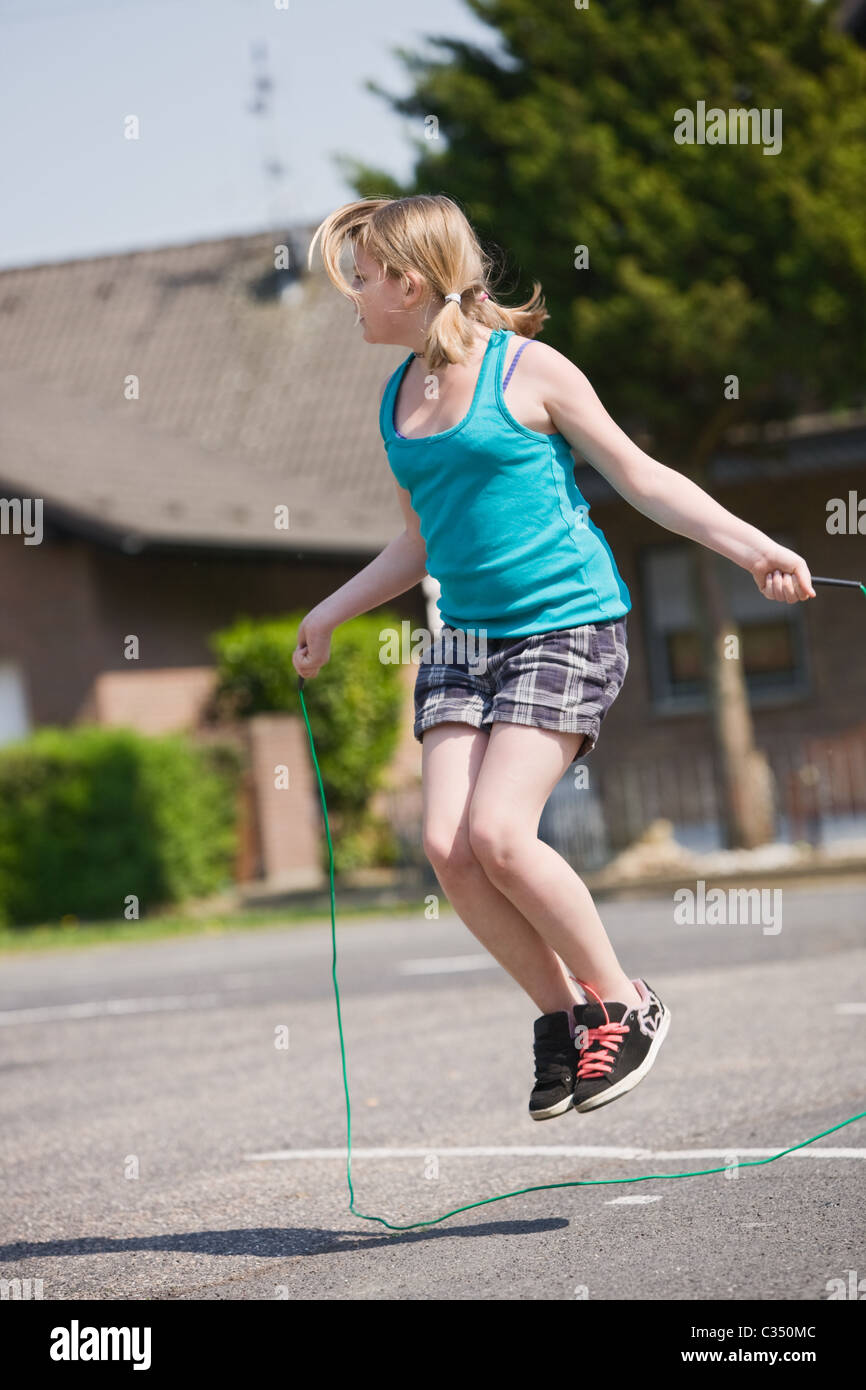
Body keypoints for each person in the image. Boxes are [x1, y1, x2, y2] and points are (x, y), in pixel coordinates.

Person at [294, 193, 815, 1122]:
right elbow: (417, 543)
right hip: (463, 637)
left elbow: (641, 476)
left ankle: (627, 1002)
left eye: (363, 282)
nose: (356, 301)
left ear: (410, 283)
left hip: (563, 624)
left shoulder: (526, 371)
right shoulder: (397, 400)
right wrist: (329, 614)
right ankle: (565, 1018)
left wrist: (754, 548)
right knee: (448, 850)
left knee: (500, 833)